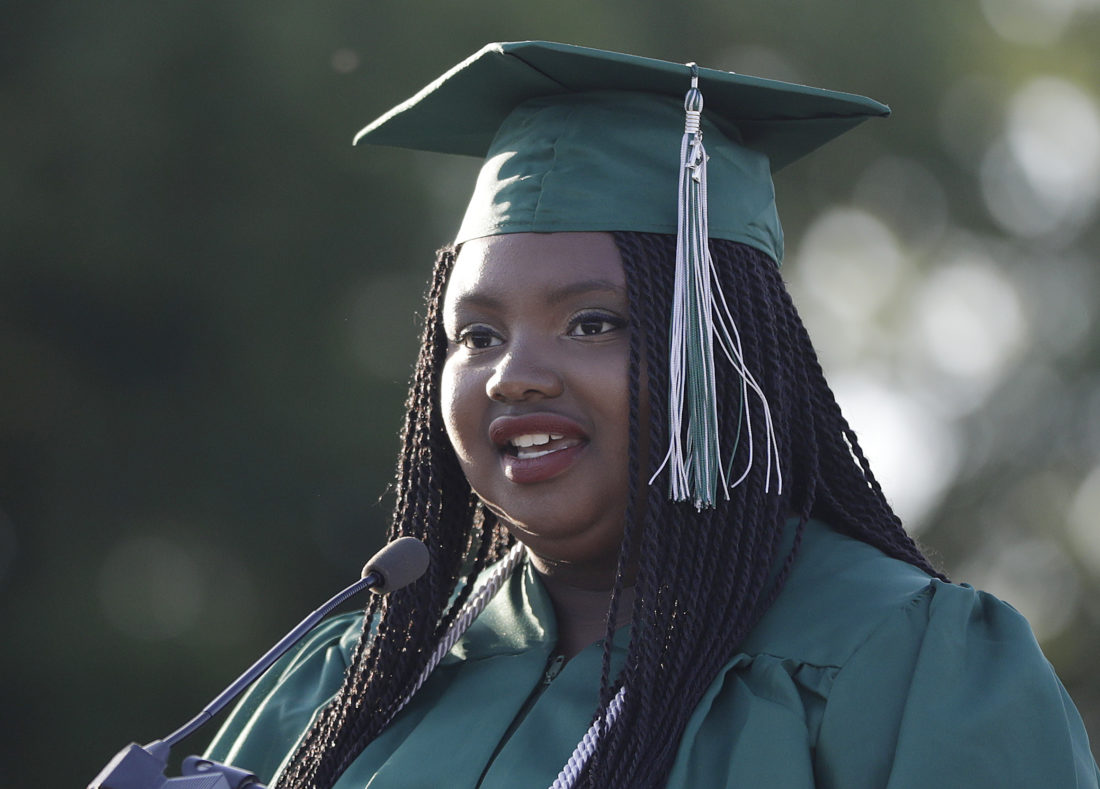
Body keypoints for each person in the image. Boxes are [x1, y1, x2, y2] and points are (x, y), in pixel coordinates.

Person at [204, 42, 1099, 788]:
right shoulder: (355, 677)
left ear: (723, 352)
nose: (515, 376)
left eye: (592, 323)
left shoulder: (902, 665)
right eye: (476, 335)